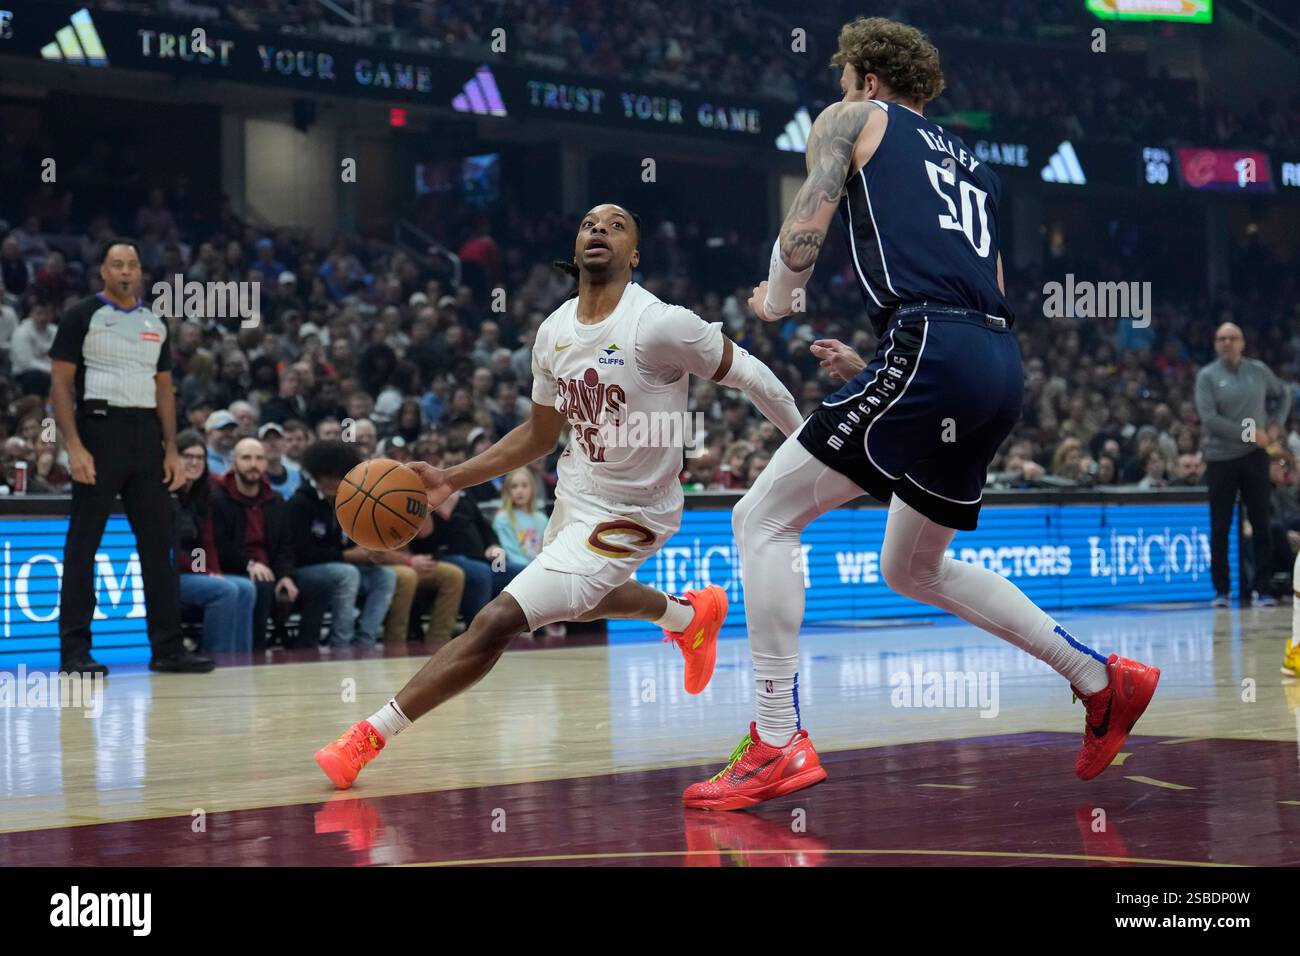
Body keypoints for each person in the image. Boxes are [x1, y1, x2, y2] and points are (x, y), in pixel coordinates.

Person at [680, 17, 1161, 811]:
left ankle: (775, 739)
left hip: (930, 349)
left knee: (760, 519)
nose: (839, 91)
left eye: (844, 79)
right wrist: (887, 368)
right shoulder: (979, 168)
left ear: (867, 79)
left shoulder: (852, 118)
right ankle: (1099, 680)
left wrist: (776, 300)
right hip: (994, 361)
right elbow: (984, 286)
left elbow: (804, 231)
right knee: (912, 567)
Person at [315, 202, 805, 788]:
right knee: (580, 602)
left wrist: (806, 447)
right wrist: (451, 478)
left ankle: (369, 734)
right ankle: (687, 615)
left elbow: (752, 374)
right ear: (575, 248)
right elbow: (539, 436)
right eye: (589, 223)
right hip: (577, 491)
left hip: (637, 511)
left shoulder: (661, 324)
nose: (599, 229)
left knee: (498, 619)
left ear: (634, 255)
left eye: (617, 225)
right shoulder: (552, 332)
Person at [50, 238, 213, 675]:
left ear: (140, 272)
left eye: (132, 264)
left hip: (147, 437)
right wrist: (74, 445)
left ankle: (168, 648)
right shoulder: (81, 315)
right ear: (103, 271)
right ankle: (75, 652)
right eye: (117, 264)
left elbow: (164, 389)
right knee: (83, 546)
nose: (125, 271)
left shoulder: (155, 321)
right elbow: (60, 384)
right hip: (98, 431)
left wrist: (171, 449)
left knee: (159, 547)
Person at [1195, 322, 1291, 607]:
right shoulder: (1207, 376)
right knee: (1220, 526)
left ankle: (1262, 588)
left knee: (1262, 522)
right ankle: (1221, 590)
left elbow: (1284, 393)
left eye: (1232, 338)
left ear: (1242, 342)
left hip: (1254, 457)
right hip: (1221, 458)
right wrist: (1251, 434)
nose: (1227, 342)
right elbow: (1210, 420)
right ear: (1215, 344)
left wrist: (1275, 426)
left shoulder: (1258, 371)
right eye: (1221, 338)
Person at [286, 440, 397, 648]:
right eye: (326, 476)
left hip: (339, 567)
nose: (333, 482)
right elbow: (300, 553)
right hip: (303, 572)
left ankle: (365, 641)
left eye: (339, 476)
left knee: (385, 576)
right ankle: (341, 642)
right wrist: (346, 555)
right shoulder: (300, 503)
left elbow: (349, 546)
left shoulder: (347, 503)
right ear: (316, 474)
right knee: (348, 573)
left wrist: (369, 553)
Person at [210, 437, 299, 649]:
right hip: (234, 569)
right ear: (233, 463)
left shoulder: (275, 500)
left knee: (317, 584)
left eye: (259, 458)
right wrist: (249, 564)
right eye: (246, 458)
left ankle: (307, 649)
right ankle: (255, 654)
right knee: (261, 587)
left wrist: (286, 575)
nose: (253, 464)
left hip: (270, 569)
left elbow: (285, 546)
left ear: (266, 464)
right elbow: (219, 545)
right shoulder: (217, 498)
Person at [173, 430, 257, 654]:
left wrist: (213, 571)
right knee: (225, 590)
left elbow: (205, 542)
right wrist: (202, 572)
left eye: (200, 457)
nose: (194, 463)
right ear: (174, 458)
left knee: (246, 588)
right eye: (187, 456)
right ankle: (219, 658)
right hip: (169, 575)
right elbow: (169, 547)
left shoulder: (201, 496)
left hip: (192, 572)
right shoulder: (165, 495)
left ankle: (241, 658)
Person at [10, 299, 57, 397]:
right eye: (39, 313)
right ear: (31, 314)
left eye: (47, 314)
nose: (43, 317)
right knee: (35, 377)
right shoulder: (21, 333)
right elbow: (27, 363)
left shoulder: (55, 331)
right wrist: (53, 370)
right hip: (24, 375)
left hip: (53, 371)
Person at [257, 421, 302, 499]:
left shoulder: (298, 475)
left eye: (277, 438)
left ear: (284, 443)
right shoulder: (255, 478)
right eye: (267, 439)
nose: (273, 444)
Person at [205, 409, 239, 476]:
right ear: (209, 433)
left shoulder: (240, 458)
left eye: (231, 429)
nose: (228, 433)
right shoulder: (201, 459)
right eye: (222, 429)